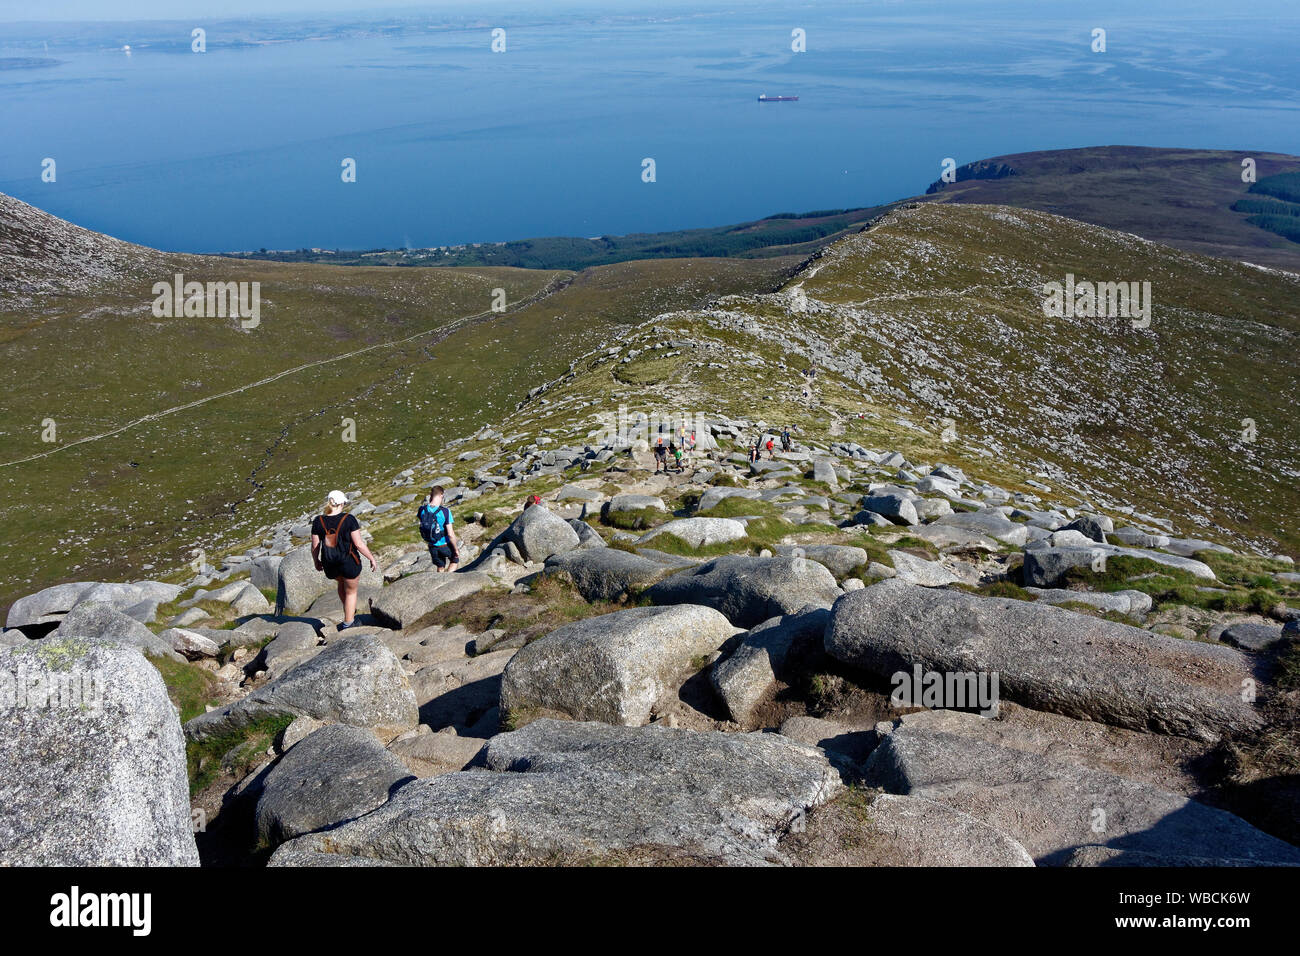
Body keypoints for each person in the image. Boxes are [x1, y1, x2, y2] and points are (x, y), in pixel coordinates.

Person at [312, 490, 378, 630]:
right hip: (349, 563)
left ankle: (349, 611)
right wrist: (371, 558)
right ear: (341, 503)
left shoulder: (318, 521)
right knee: (351, 592)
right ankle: (348, 623)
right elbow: (359, 544)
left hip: (330, 565)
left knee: (341, 583)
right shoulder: (349, 519)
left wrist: (316, 561)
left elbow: (315, 546)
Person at [417, 485, 460, 573]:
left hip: (432, 546)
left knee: (440, 566)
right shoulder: (445, 511)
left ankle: (440, 579)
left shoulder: (422, 509)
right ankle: (448, 579)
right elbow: (451, 534)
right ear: (441, 495)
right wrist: (456, 550)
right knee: (454, 560)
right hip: (445, 545)